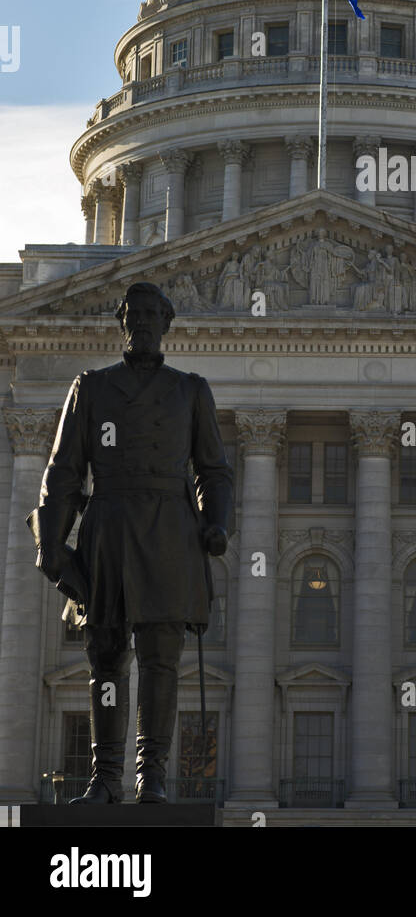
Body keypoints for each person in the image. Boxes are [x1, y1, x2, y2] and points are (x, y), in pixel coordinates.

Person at [27, 281, 232, 804]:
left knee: (162, 658)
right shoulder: (91, 387)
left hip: (170, 530)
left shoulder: (191, 389)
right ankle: (104, 777)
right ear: (122, 321)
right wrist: (51, 545)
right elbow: (64, 471)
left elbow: (213, 468)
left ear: (166, 323)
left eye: (151, 315)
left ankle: (153, 774)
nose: (142, 323)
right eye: (133, 314)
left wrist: (216, 522)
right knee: (107, 656)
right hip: (110, 527)